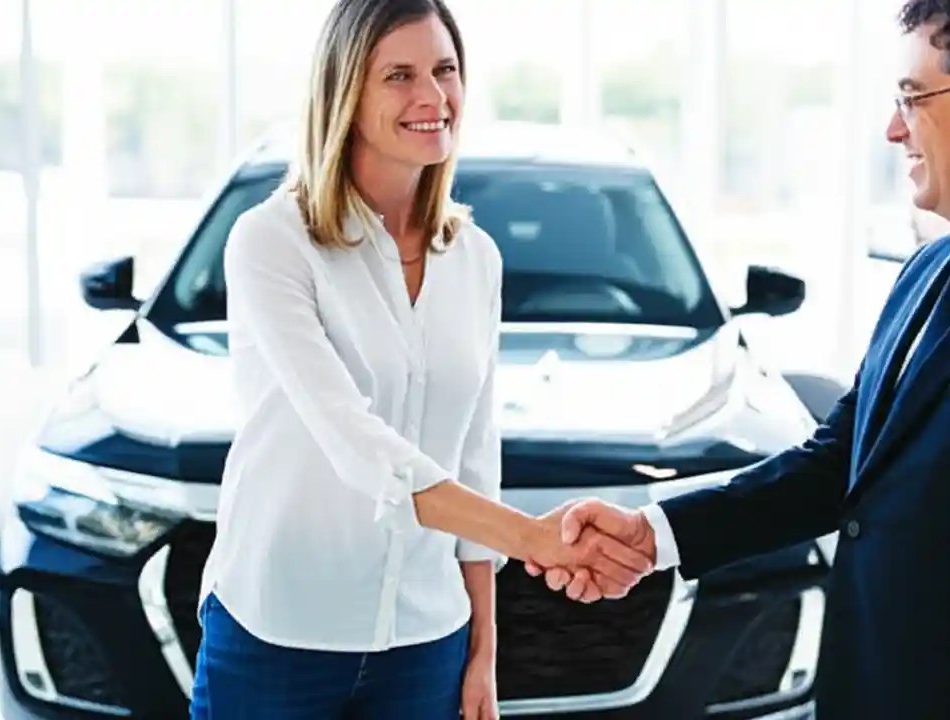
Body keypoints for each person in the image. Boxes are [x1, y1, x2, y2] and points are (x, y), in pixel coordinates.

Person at [530, 1, 950, 717]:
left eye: (912, 98)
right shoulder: (931, 272)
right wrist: (655, 534)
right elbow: (841, 466)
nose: (894, 129)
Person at [191, 1, 650, 718]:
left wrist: (483, 651)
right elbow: (358, 445)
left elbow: (473, 454)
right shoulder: (274, 242)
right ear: (346, 93)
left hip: (427, 639)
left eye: (445, 70)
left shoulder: (475, 258)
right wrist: (536, 538)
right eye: (399, 75)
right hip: (279, 632)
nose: (433, 97)